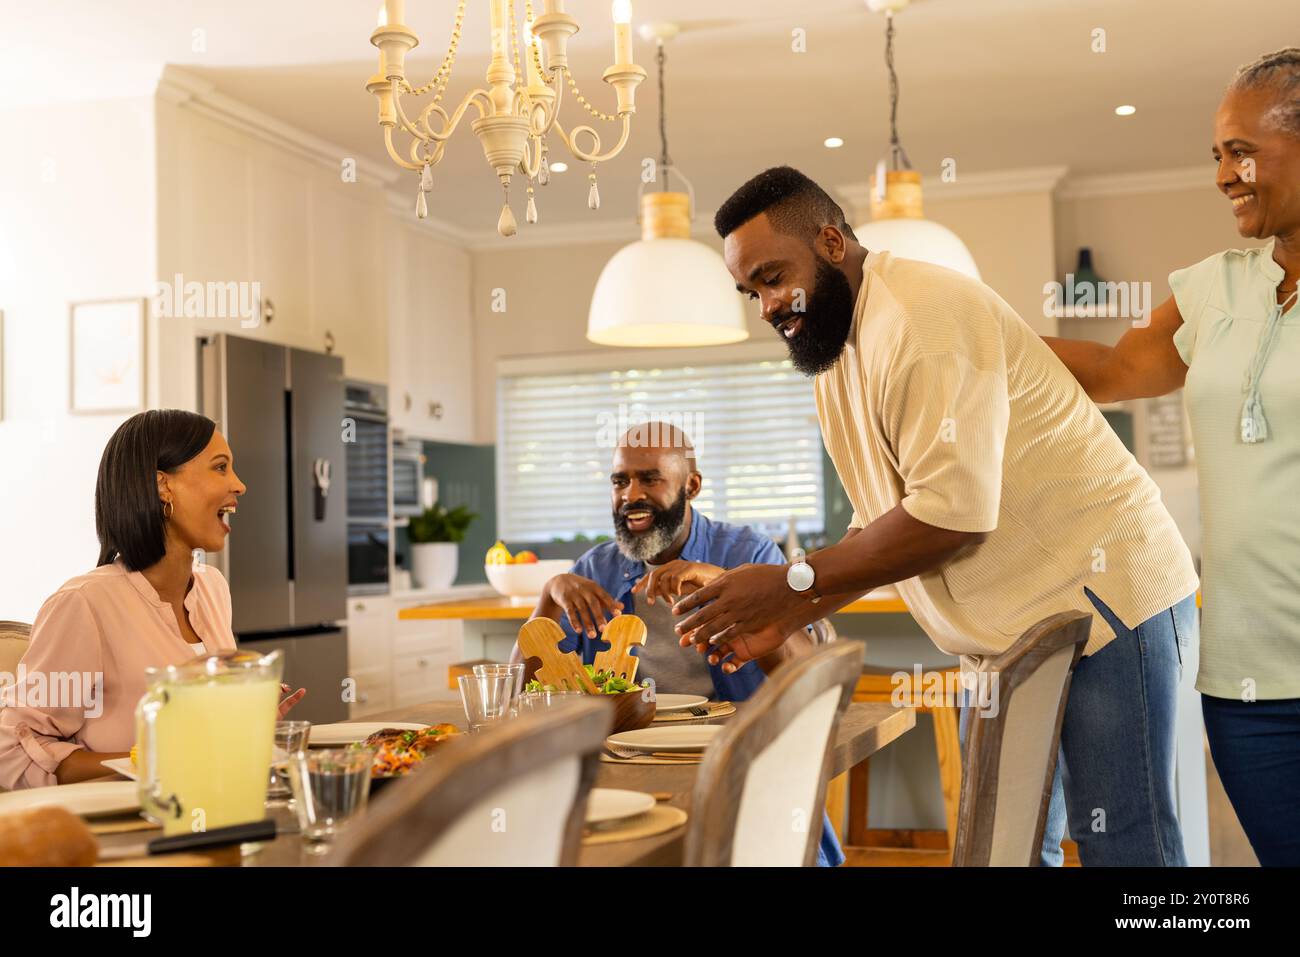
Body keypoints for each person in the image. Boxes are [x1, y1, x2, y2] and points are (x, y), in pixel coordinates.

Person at [678, 166, 1200, 867]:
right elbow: (884, 521)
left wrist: (789, 582)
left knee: (1123, 840)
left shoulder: (922, 318)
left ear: (831, 240)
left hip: (1106, 598)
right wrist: (794, 609)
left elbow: (951, 518)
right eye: (752, 292)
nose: (767, 305)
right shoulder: (836, 352)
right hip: (1008, 630)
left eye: (773, 277)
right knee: (1005, 847)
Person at [1043, 49, 1300, 866]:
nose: (1224, 174)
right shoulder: (1219, 287)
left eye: (1241, 150)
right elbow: (1117, 370)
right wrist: (969, 338)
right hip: (1247, 682)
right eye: (1216, 155)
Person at [509, 421, 841, 866]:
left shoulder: (748, 553)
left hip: (735, 759)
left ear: (692, 485)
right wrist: (547, 599)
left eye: (650, 479)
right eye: (620, 481)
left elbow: (808, 680)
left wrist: (723, 585)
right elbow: (516, 696)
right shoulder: (594, 568)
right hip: (628, 767)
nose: (631, 495)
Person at [0, 410, 305, 790]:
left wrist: (241, 720)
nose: (239, 485)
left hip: (209, 807)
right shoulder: (84, 604)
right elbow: (12, 751)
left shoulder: (212, 588)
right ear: (163, 485)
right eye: (220, 467)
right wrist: (152, 760)